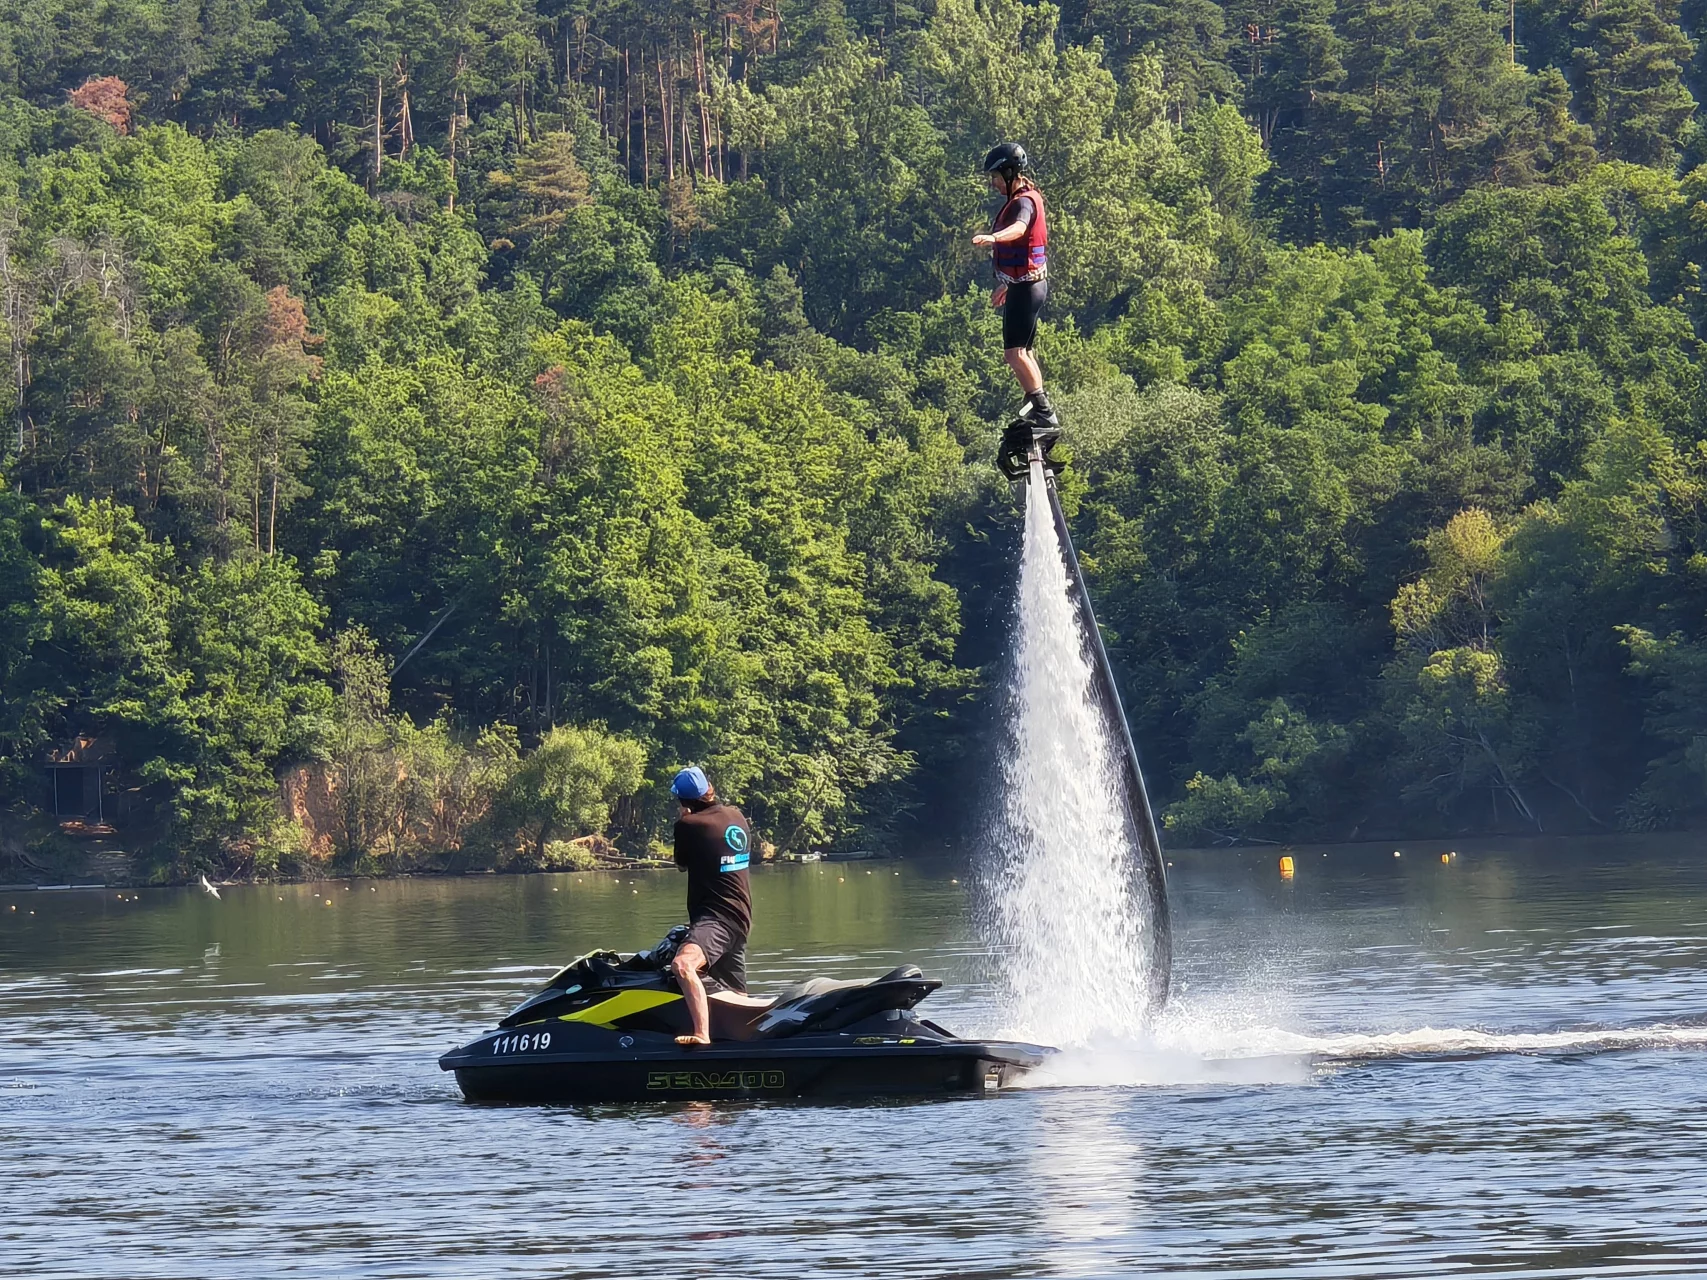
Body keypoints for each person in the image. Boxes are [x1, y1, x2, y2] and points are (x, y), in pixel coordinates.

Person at [971, 142, 1056, 431]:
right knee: (1025, 352)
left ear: (1009, 173)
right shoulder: (1027, 197)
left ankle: (1044, 412)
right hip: (1026, 285)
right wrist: (1008, 285)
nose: (993, 184)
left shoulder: (1023, 202)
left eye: (995, 177)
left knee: (1014, 353)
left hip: (1028, 288)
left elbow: (1020, 229)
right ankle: (1037, 407)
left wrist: (993, 238)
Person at [668, 765, 754, 1045]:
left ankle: (702, 1035)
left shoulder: (688, 825)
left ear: (683, 802)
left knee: (683, 965)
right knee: (735, 996)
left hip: (715, 918)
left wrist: (684, 820)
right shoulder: (736, 816)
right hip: (740, 916)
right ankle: (744, 1041)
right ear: (709, 788)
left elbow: (682, 865)